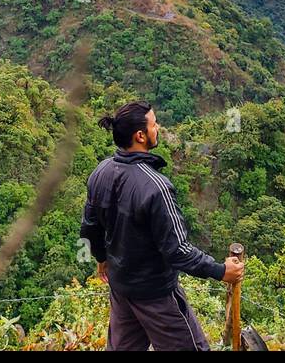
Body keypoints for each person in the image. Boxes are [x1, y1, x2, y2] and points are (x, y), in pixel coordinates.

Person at [80, 100, 244, 350]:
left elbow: (90, 227)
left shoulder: (100, 172)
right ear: (140, 135)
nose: (158, 128)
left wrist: (102, 257)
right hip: (155, 294)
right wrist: (221, 271)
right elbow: (178, 250)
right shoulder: (156, 187)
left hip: (121, 288)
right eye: (154, 125)